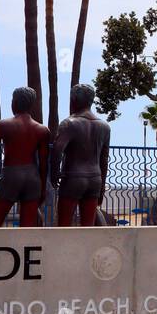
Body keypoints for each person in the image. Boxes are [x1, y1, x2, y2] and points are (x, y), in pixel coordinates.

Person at [0, 87, 51, 227]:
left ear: (14, 103)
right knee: (27, 228)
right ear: (32, 105)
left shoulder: (3, 125)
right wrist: (43, 188)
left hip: (11, 175)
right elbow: (44, 164)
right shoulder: (42, 130)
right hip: (33, 178)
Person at [51, 83, 111, 227]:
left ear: (74, 100)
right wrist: (101, 187)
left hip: (73, 177)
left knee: (64, 226)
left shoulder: (69, 123)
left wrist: (54, 175)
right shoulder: (104, 126)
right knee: (88, 227)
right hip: (95, 179)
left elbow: (57, 150)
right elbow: (104, 159)